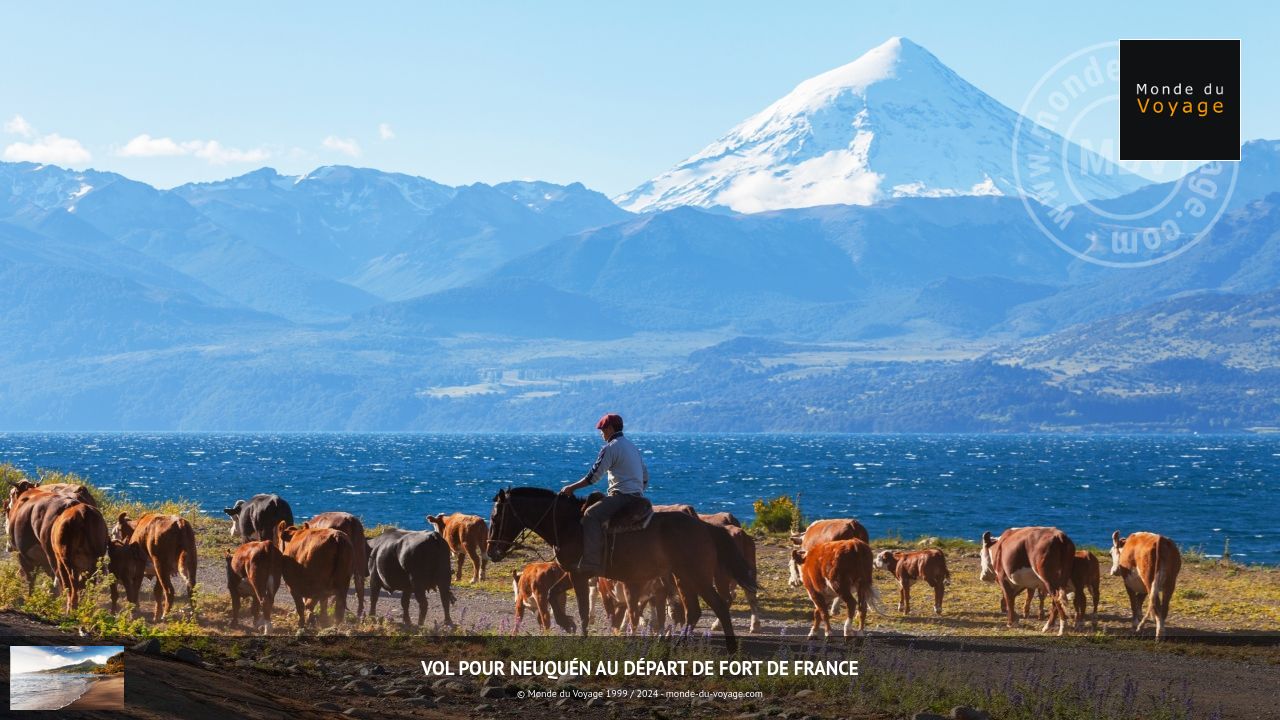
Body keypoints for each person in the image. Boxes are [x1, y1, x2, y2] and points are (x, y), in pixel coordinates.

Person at [559, 413, 650, 575]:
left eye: (602, 429)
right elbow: (645, 478)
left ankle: (591, 563)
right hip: (638, 497)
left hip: (622, 497)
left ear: (610, 428)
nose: (601, 433)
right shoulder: (632, 447)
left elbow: (593, 477)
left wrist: (571, 488)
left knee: (590, 516)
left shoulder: (610, 448)